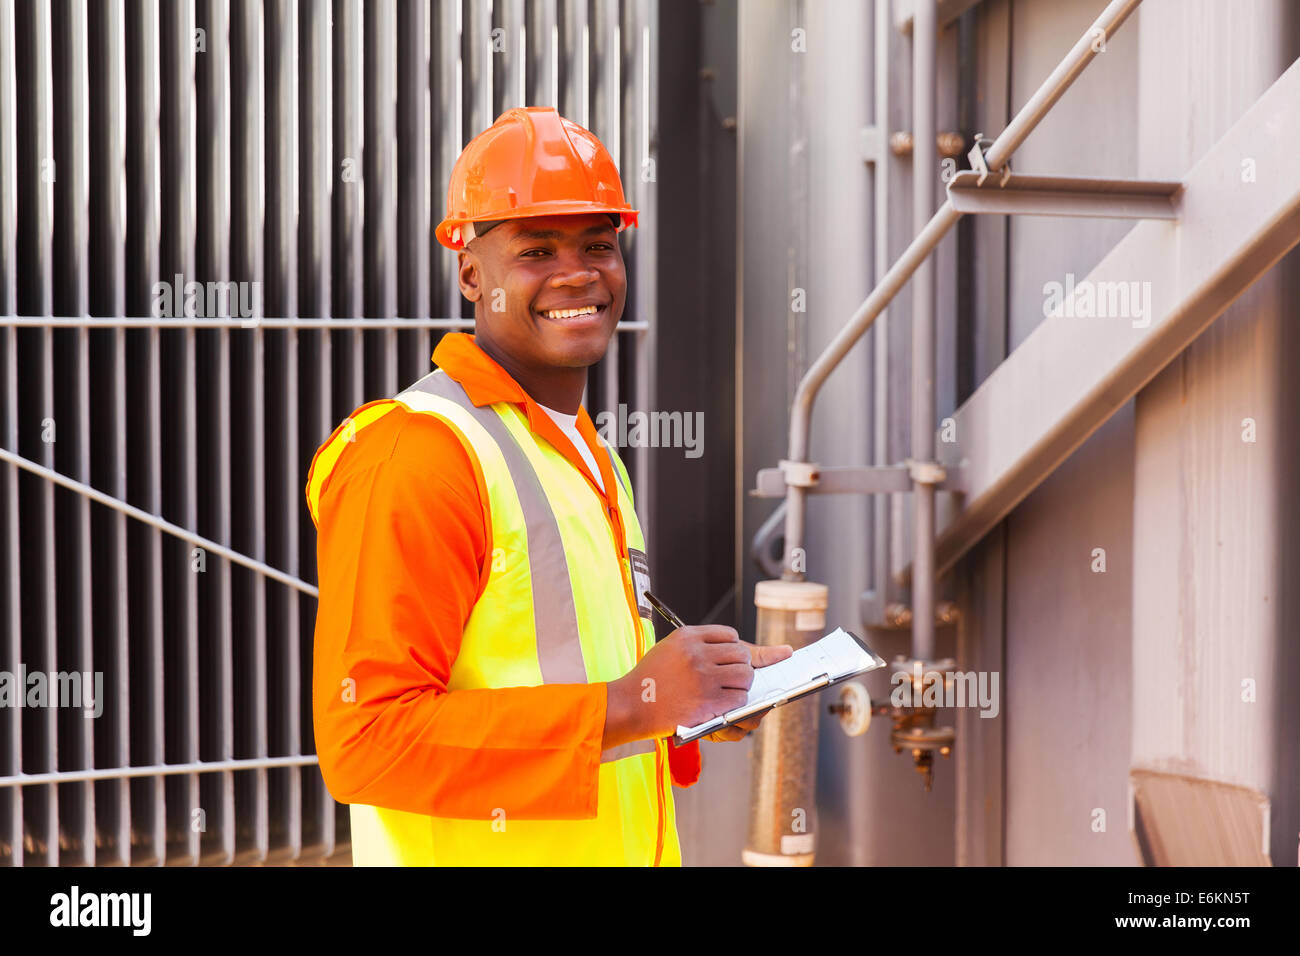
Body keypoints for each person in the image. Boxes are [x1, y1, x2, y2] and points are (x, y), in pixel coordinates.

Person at [306, 106, 791, 866]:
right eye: (536, 249)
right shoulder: (418, 453)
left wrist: (690, 705)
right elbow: (364, 744)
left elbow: (586, 695)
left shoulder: (588, 456)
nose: (578, 273)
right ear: (472, 273)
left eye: (599, 245)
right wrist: (638, 701)